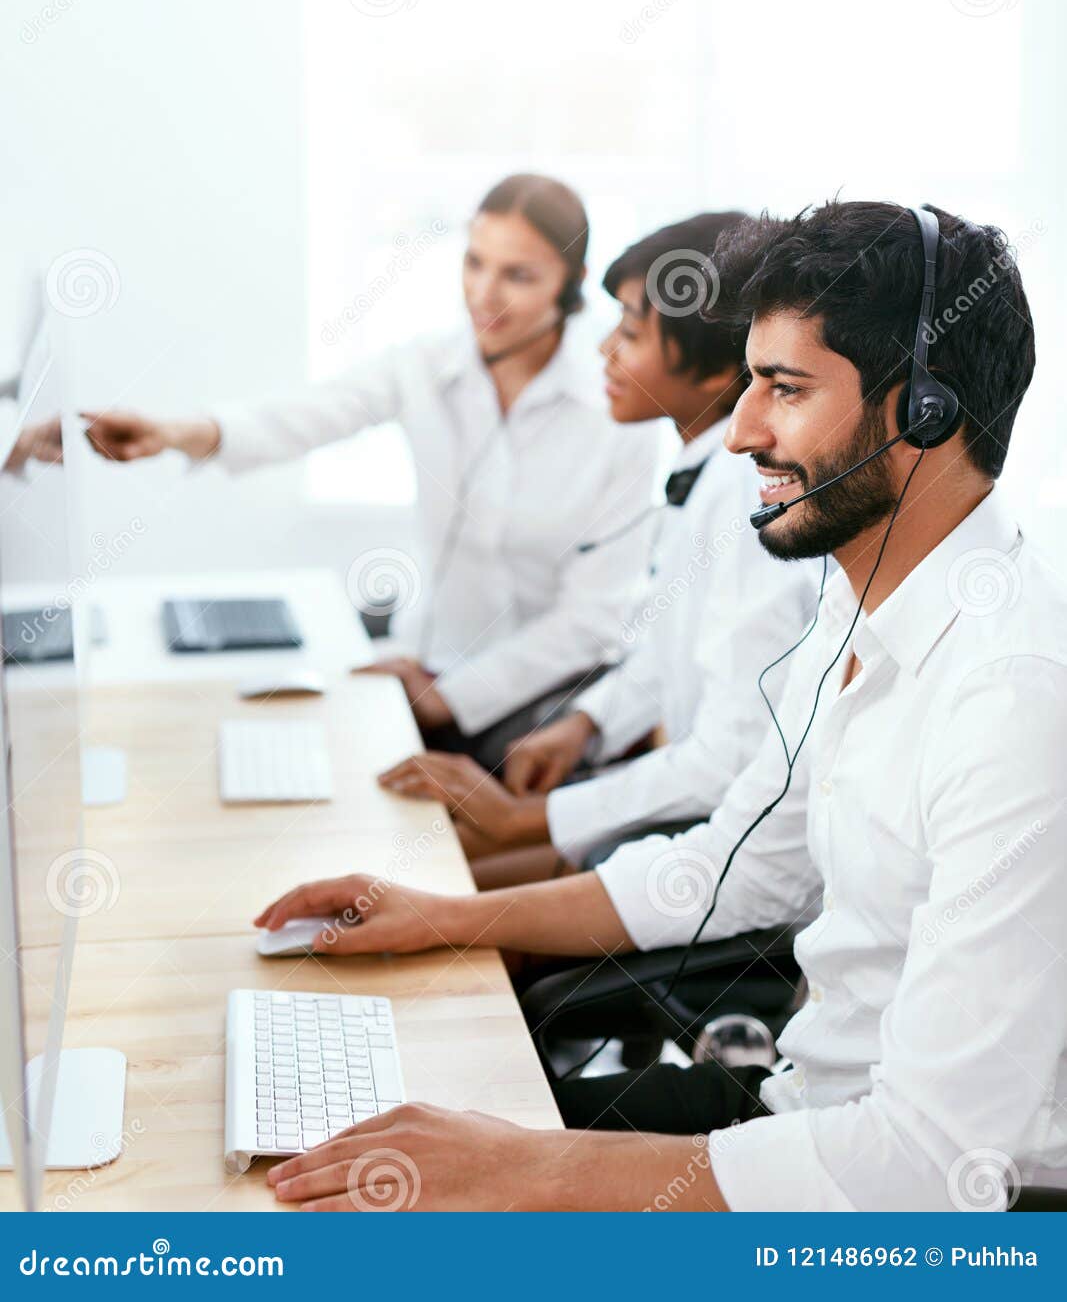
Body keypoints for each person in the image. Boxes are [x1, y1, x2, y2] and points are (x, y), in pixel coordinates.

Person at [254, 200, 1067, 1212]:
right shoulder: (854, 612)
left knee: (421, 1210)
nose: (740, 430)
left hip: (918, 1211)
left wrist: (529, 1168)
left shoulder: (1011, 698)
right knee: (385, 1158)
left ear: (923, 412)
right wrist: (446, 917)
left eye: (784, 390)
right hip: (805, 1117)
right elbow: (724, 868)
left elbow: (928, 1167)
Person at [83, 175, 656, 757]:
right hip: (422, 668)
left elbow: (595, 616)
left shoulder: (620, 410)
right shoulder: (424, 364)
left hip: (541, 709)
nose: (485, 293)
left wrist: (453, 699)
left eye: (518, 275)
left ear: (572, 285)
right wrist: (170, 433)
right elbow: (304, 416)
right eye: (475, 263)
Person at [377, 214, 817, 881]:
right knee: (424, 870)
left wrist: (523, 818)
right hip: (690, 823)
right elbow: (669, 653)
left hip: (726, 856)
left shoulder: (747, 497)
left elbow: (728, 753)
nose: (604, 351)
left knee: (431, 889)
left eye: (631, 333)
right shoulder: (703, 478)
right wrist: (584, 723)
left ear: (712, 371)